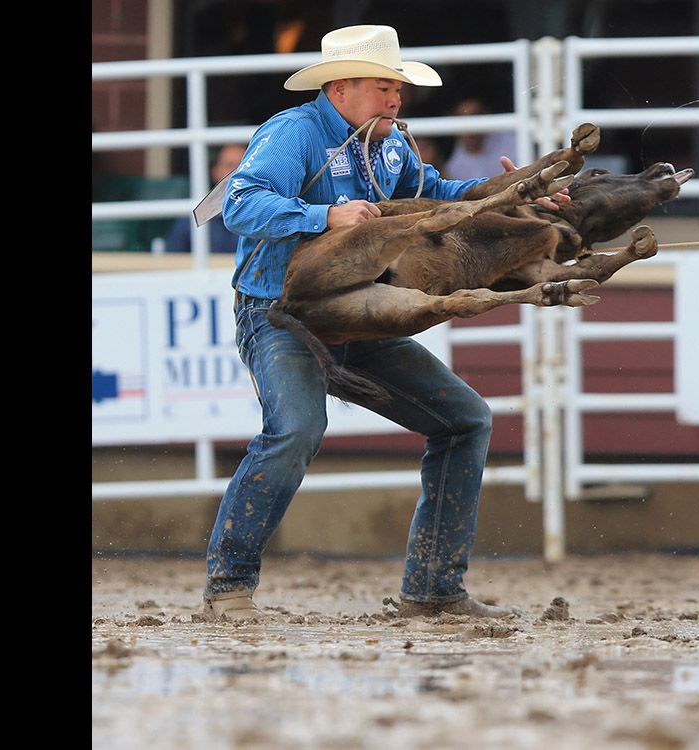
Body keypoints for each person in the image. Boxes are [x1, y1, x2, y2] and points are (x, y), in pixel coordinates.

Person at [202, 24, 568, 622]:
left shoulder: (388, 143)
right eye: (384, 86)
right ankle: (228, 586)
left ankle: (433, 590)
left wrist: (509, 191)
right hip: (282, 314)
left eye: (399, 87)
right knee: (295, 432)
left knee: (465, 419)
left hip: (358, 312)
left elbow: (434, 194)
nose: (397, 99)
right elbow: (240, 203)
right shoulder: (294, 134)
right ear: (340, 88)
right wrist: (326, 215)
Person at [164, 144, 246, 253]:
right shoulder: (192, 219)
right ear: (215, 171)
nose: (236, 172)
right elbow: (172, 260)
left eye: (243, 166)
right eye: (230, 165)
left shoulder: (263, 213)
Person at [443, 97, 519, 180]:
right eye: (462, 119)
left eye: (474, 117)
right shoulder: (452, 165)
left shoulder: (512, 141)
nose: (469, 126)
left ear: (486, 114)